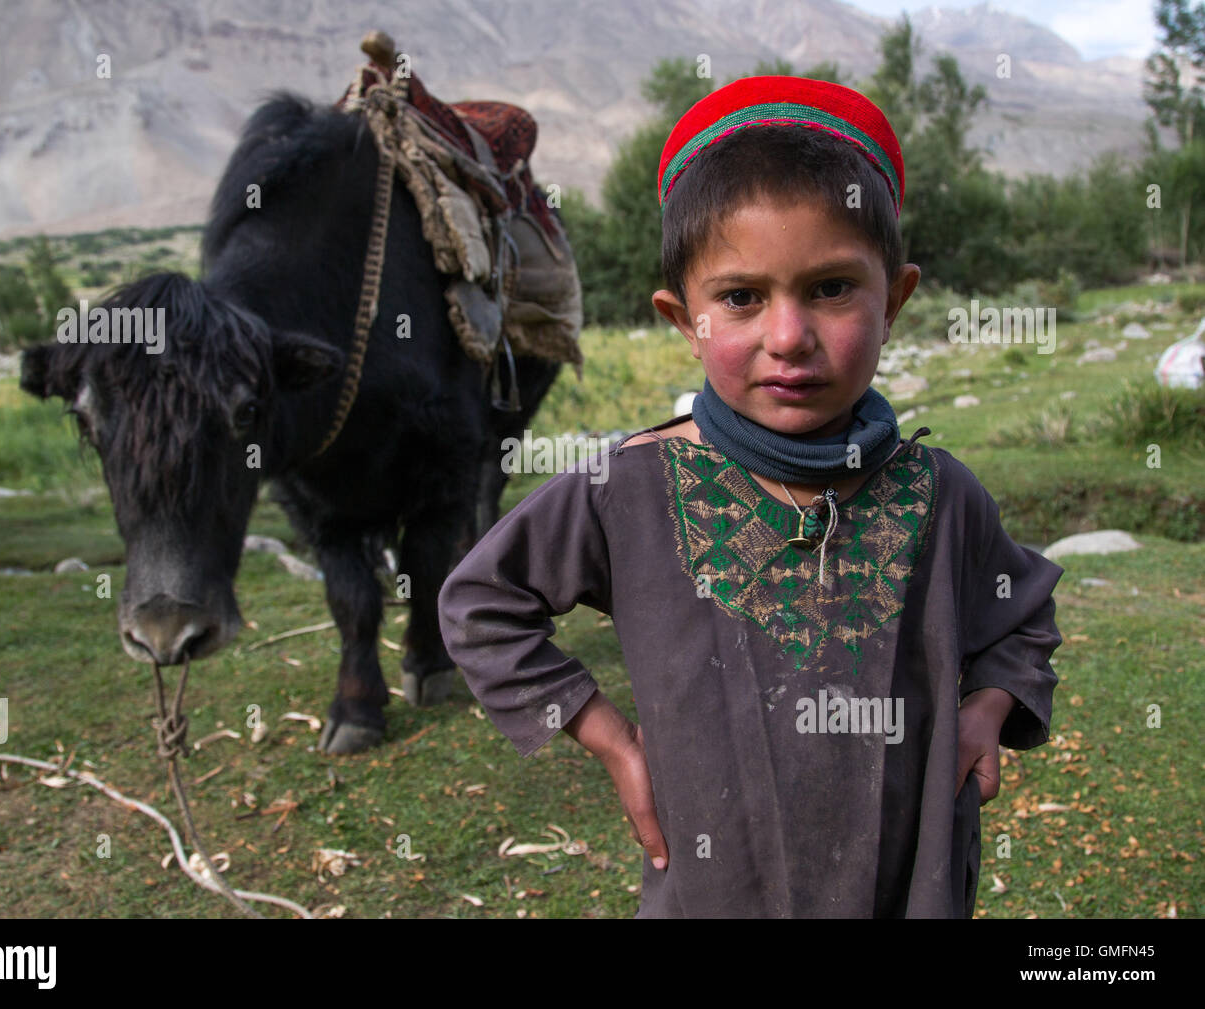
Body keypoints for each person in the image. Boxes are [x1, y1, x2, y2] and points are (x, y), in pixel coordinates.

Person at [437, 76, 1064, 918]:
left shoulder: (939, 494)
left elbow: (1020, 616)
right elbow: (481, 601)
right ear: (680, 315)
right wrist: (614, 741)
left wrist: (988, 707)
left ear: (897, 301)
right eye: (740, 298)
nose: (787, 337)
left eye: (833, 288)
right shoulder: (624, 489)